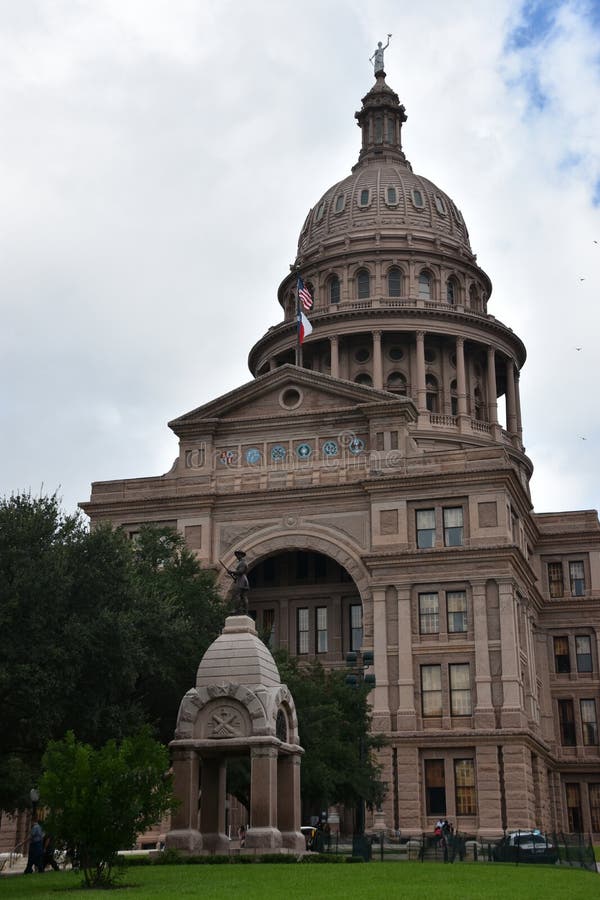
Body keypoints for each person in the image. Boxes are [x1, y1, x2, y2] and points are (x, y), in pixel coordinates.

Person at [228, 550, 250, 614]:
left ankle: (236, 609)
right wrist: (234, 576)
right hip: (242, 580)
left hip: (242, 580)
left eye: (237, 555)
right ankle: (245, 611)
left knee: (237, 595)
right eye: (236, 555)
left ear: (241, 555)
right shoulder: (241, 562)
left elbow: (240, 572)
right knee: (243, 596)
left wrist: (232, 572)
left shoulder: (242, 563)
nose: (236, 556)